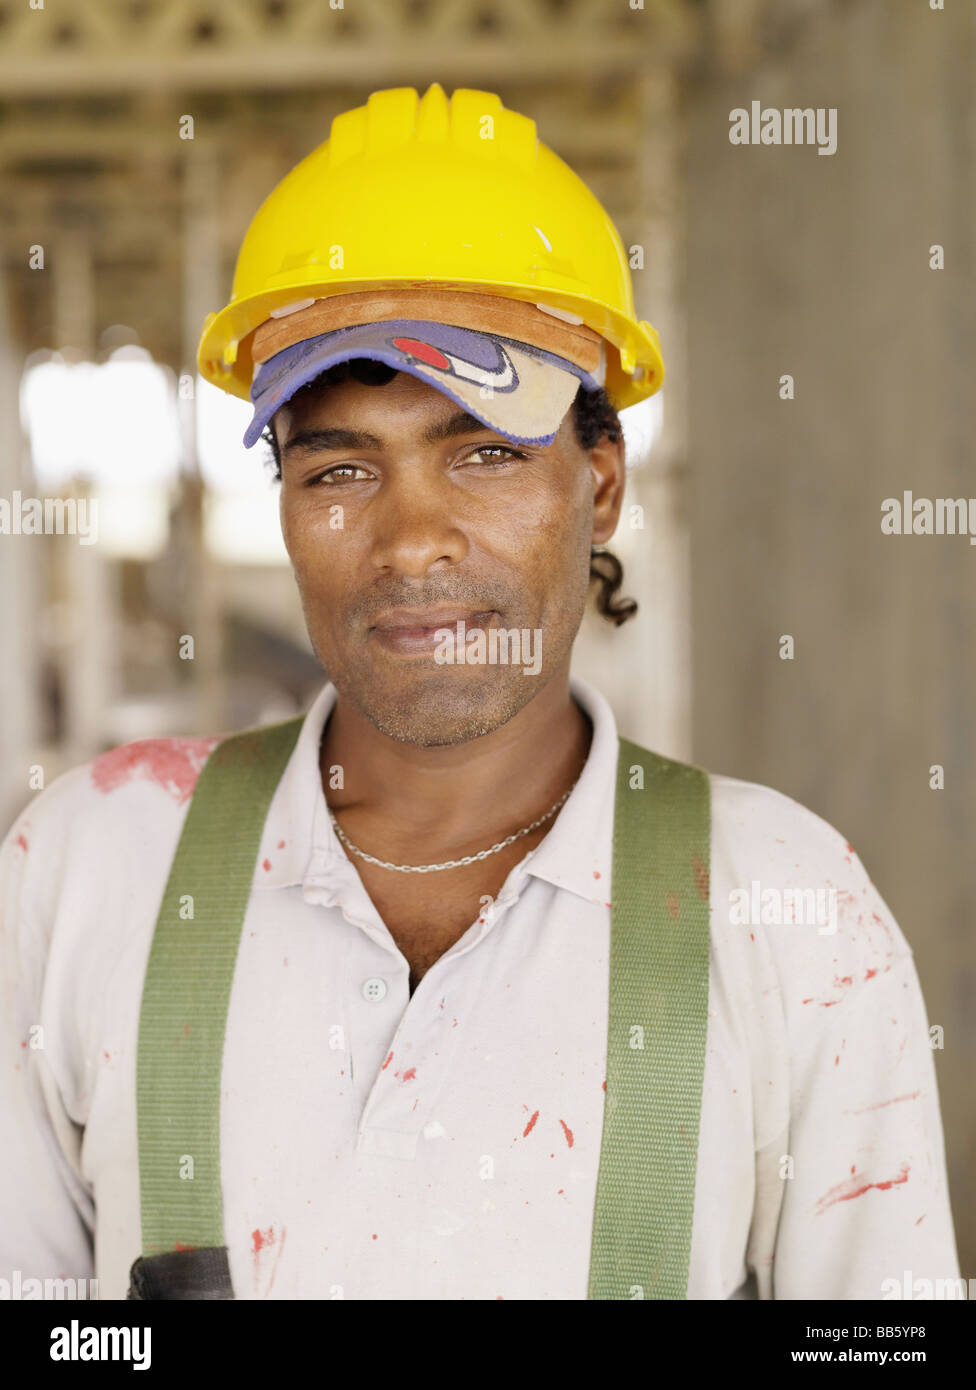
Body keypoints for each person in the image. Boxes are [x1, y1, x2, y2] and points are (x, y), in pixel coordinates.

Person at [0, 85, 958, 1301]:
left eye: (485, 453)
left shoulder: (788, 912)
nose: (411, 542)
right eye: (340, 466)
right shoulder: (89, 874)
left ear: (599, 485)